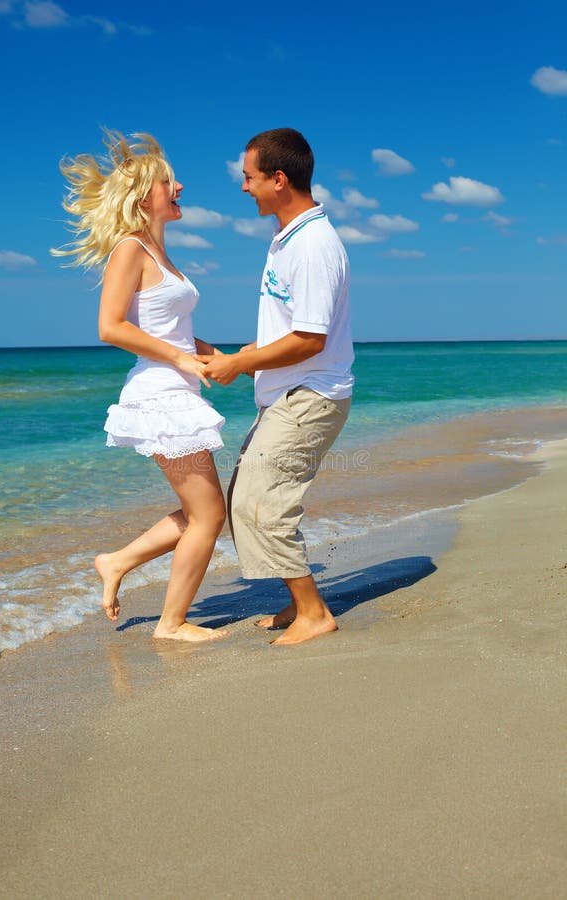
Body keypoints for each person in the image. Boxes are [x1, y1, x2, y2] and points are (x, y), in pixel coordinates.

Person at [52, 130, 228, 642]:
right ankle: (170, 624)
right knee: (210, 515)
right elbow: (110, 327)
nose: (180, 186)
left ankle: (116, 561)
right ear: (143, 195)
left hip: (177, 389)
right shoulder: (130, 249)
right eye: (169, 181)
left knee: (206, 512)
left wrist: (234, 358)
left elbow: (173, 330)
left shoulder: (160, 252)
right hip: (159, 397)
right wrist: (181, 359)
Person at [199, 127, 354, 645]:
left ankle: (314, 613)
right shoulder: (288, 236)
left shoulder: (311, 245)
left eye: (249, 177)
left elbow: (311, 338)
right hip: (291, 392)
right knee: (250, 495)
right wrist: (240, 356)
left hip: (309, 394)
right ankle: (298, 603)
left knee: (261, 503)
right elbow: (290, 328)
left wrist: (240, 364)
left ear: (278, 179)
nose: (244, 187)